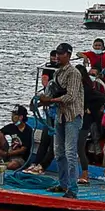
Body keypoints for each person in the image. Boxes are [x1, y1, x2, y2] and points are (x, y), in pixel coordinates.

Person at [37, 42, 84, 198]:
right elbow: (52, 92)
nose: (57, 56)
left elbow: (70, 97)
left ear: (68, 55)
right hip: (60, 116)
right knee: (59, 152)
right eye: (57, 53)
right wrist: (42, 100)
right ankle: (63, 184)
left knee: (70, 152)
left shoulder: (74, 73)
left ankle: (73, 188)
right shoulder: (57, 73)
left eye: (61, 53)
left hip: (72, 116)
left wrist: (50, 101)